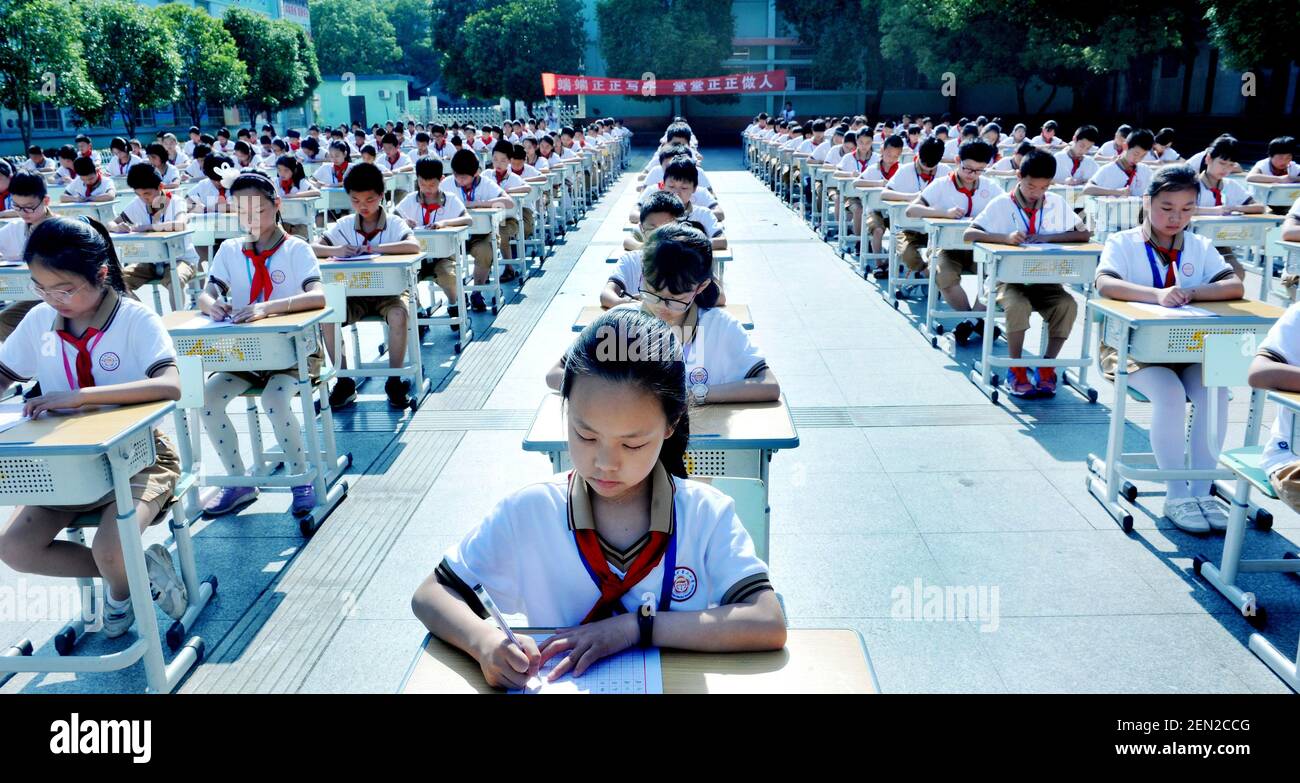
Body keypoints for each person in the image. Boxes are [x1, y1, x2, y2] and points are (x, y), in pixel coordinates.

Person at [414, 306, 785, 688]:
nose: (606, 463)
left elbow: (767, 621)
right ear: (567, 408)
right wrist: (484, 642)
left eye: (633, 443)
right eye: (586, 436)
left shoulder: (705, 514)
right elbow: (431, 594)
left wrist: (637, 628)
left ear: (671, 425)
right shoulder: (530, 512)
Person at [0, 217, 189, 638]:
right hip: (66, 462)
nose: (52, 299)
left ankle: (122, 590)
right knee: (14, 548)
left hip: (140, 458)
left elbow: (171, 384)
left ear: (100, 274)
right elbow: (3, 372)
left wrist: (80, 395)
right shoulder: (38, 321)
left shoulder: (134, 319)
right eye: (40, 286)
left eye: (64, 288)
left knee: (111, 547)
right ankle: (139, 574)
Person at [1093, 166, 1243, 532]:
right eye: (1167, 207)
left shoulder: (1200, 245)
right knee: (1172, 396)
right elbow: (1105, 283)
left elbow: (1234, 286)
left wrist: (1191, 292)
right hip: (1134, 350)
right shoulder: (1123, 242)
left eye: (1188, 209)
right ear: (1146, 202)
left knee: (1216, 392)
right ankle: (1177, 494)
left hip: (1191, 347)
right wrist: (1156, 295)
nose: (1177, 217)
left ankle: (1203, 491)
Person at [196, 171, 326, 518]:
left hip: (293, 353)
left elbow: (318, 296)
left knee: (274, 399)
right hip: (248, 354)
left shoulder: (296, 248)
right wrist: (213, 304)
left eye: (259, 211)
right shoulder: (229, 249)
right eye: (242, 212)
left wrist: (267, 308)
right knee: (206, 400)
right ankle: (238, 480)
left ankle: (301, 477)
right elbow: (206, 293)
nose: (251, 220)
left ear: (277, 205)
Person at [963, 150, 1090, 395]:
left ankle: (1046, 366)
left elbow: (1084, 233)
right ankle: (1016, 368)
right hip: (1007, 281)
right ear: (1019, 176)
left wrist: (1049, 237)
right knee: (1018, 305)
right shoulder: (1001, 203)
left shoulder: (1054, 202)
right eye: (1031, 186)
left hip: (1045, 280)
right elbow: (970, 234)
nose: (1036, 193)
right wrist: (1004, 238)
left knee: (1067, 305)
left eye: (1043, 188)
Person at [312, 163, 422, 409]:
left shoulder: (394, 223)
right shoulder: (343, 225)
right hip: (354, 293)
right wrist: (336, 250)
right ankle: (343, 381)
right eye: (356, 200)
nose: (363, 206)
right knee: (327, 316)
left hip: (390, 292)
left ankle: (394, 380)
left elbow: (413, 246)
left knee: (398, 315)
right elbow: (313, 248)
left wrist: (375, 248)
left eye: (370, 199)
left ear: (382, 195)